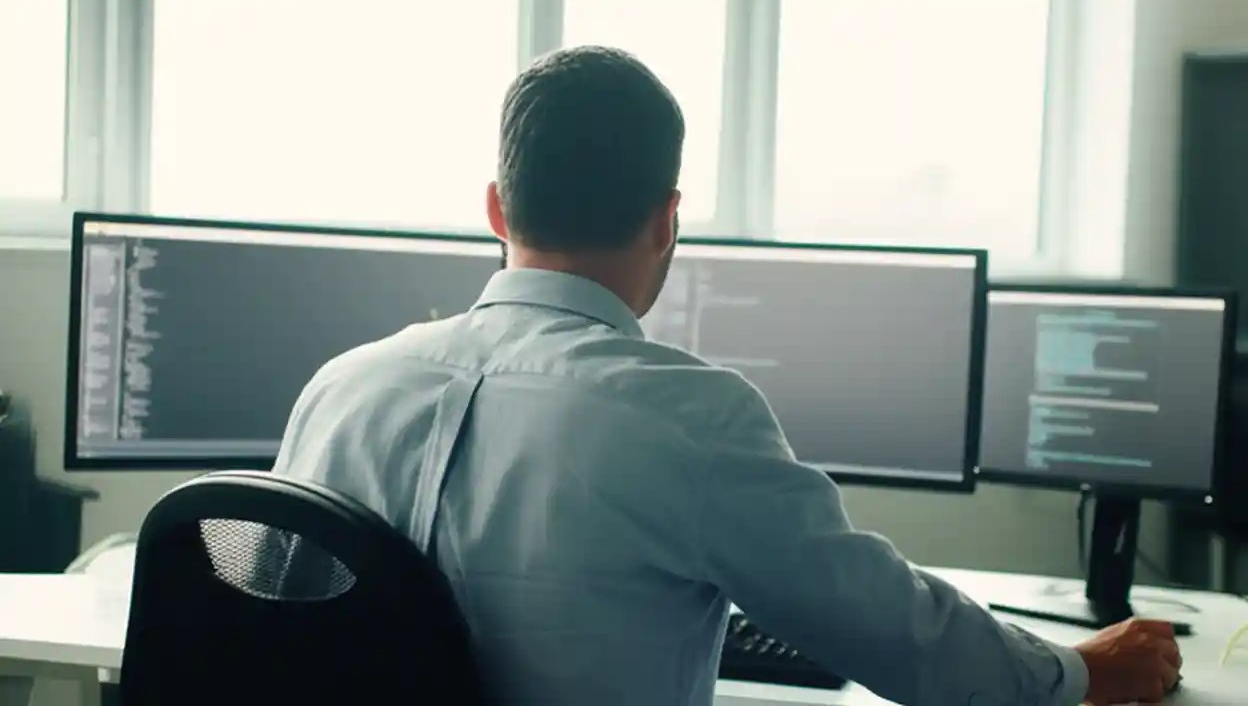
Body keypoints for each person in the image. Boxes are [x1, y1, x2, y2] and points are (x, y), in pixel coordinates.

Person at [273, 46, 1181, 706]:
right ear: (667, 220)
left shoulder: (340, 390)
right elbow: (891, 631)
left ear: (495, 207)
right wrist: (1078, 672)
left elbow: (271, 624)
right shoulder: (685, 415)